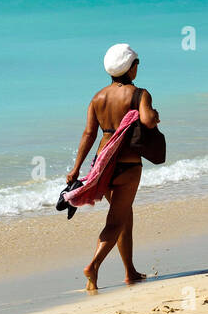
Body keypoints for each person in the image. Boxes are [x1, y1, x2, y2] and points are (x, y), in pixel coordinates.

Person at [67, 43, 160, 291]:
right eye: (137, 63)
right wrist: (154, 114)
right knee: (116, 220)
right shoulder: (140, 94)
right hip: (128, 165)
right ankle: (93, 265)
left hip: (103, 164)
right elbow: (149, 121)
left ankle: (130, 271)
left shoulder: (97, 97)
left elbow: (88, 134)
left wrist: (76, 169)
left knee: (124, 216)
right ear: (131, 67)